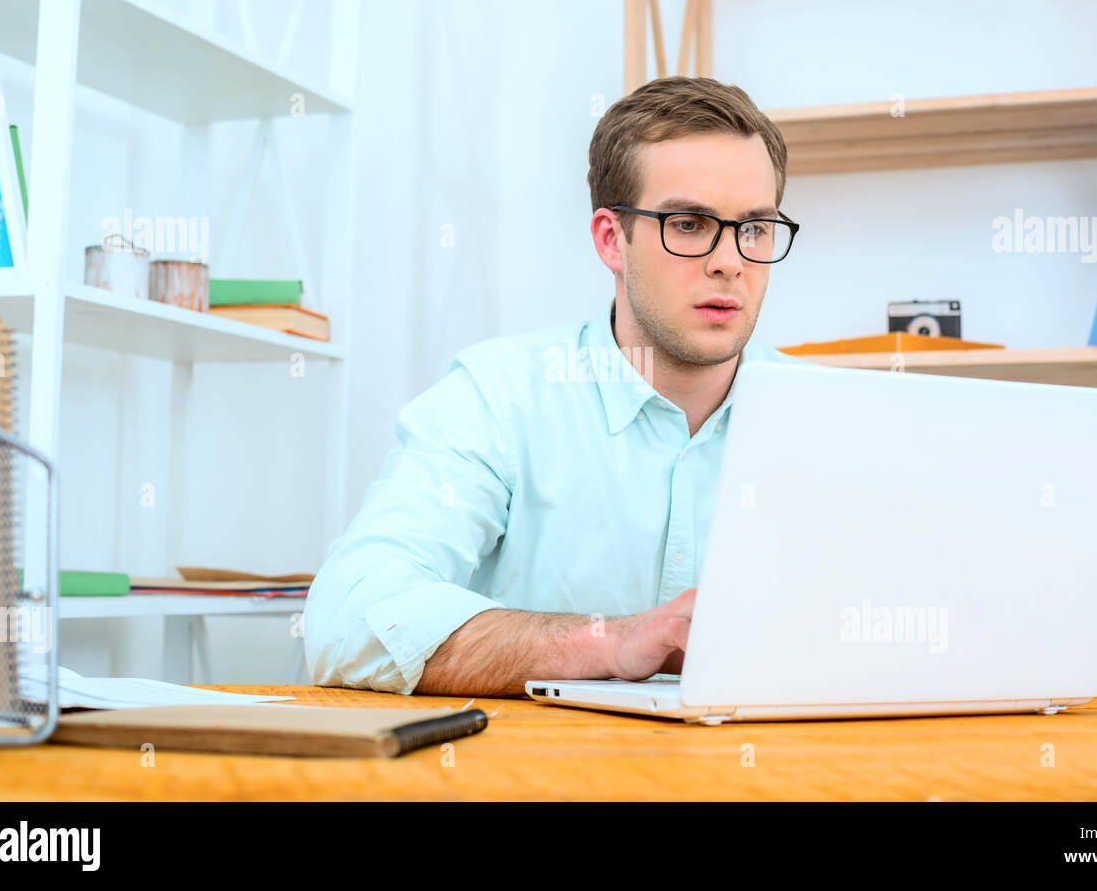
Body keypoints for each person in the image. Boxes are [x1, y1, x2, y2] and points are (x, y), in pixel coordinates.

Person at [304, 76, 806, 696]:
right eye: (689, 223)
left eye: (754, 228)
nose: (729, 260)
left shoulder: (830, 421)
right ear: (610, 240)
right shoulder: (497, 400)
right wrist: (611, 642)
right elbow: (344, 622)